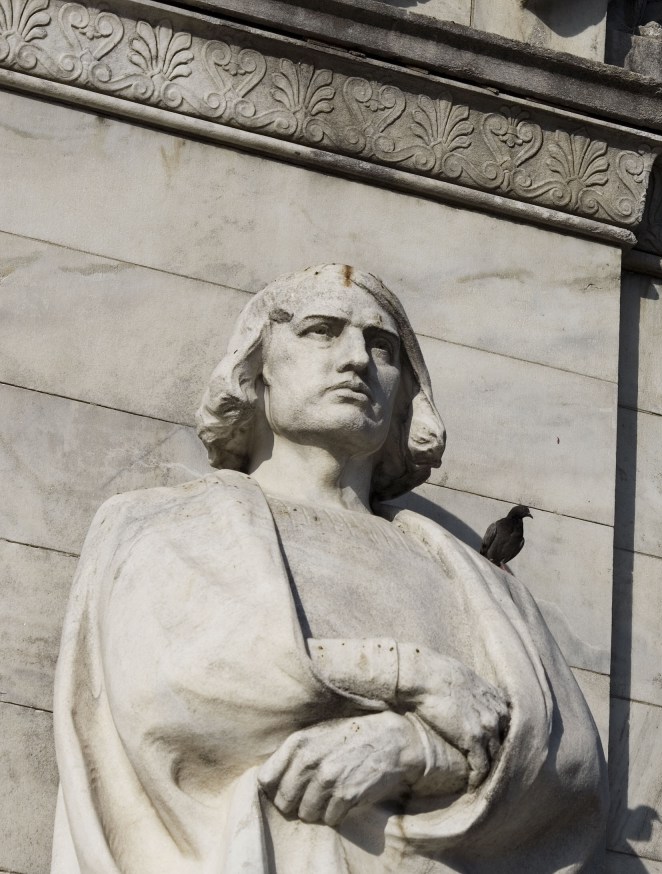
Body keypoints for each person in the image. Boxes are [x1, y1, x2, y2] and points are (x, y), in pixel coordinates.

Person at [52, 265, 607, 873]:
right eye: (321, 330)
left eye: (383, 347)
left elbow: (570, 766)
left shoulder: (477, 580)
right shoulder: (161, 525)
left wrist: (415, 750)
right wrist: (410, 674)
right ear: (257, 368)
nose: (357, 359)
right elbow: (176, 688)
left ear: (405, 395)